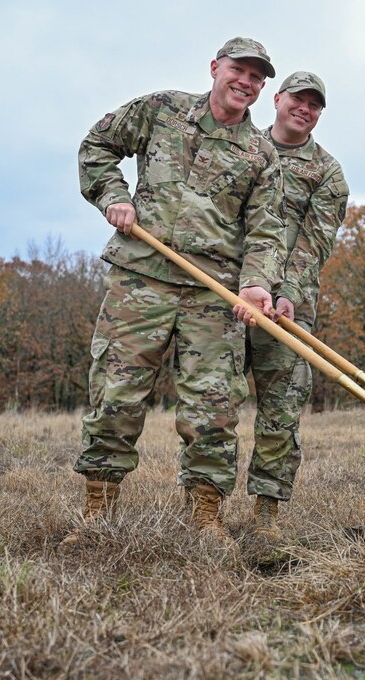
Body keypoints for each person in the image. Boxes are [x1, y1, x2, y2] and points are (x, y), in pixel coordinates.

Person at [65, 37, 290, 547]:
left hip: (213, 295)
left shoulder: (261, 154)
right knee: (115, 397)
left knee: (213, 409)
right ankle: (97, 516)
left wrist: (255, 284)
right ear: (215, 68)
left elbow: (266, 229)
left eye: (258, 77)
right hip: (141, 277)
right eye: (239, 70)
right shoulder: (160, 110)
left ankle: (205, 519)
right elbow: (96, 147)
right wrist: (113, 196)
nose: (247, 83)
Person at [245, 71, 349, 541]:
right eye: (297, 100)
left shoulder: (327, 172)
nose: (304, 109)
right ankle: (203, 507)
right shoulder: (243, 144)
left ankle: (265, 514)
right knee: (211, 403)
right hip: (229, 294)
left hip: (288, 304)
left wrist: (288, 292)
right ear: (278, 99)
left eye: (314, 105)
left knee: (282, 407)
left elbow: (315, 241)